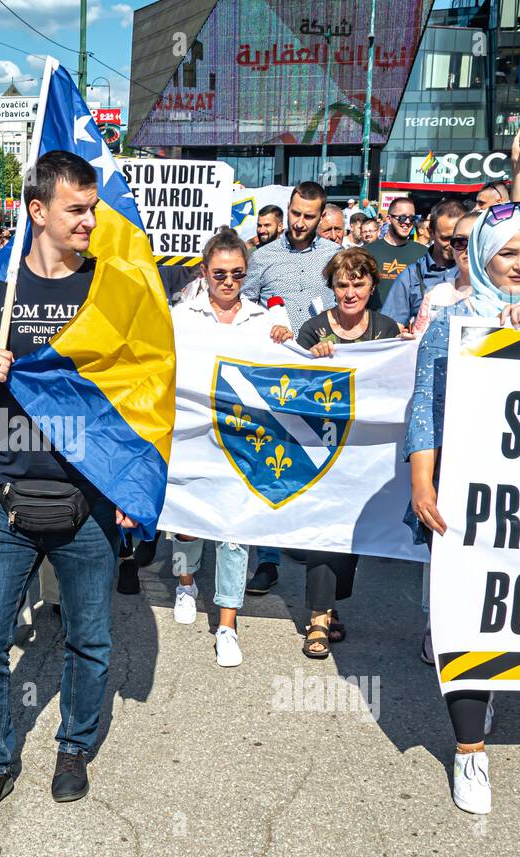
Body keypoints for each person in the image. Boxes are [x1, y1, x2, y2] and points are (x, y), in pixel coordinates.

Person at [0, 151, 130, 827]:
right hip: (4, 496)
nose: (88, 220)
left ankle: (74, 747)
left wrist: (129, 485)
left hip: (89, 499)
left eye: (92, 208)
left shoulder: (111, 289)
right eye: (75, 209)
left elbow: (138, 391)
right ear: (38, 212)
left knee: (91, 640)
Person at [405, 202, 520, 815]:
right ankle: (470, 749)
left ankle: (491, 680)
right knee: (464, 613)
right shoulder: (448, 319)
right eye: (507, 252)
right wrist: (422, 484)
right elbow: (425, 405)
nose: (519, 264)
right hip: (463, 491)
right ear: (480, 256)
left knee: (510, 604)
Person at [271, 248, 404, 658]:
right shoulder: (313, 329)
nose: (349, 292)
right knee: (323, 532)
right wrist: (308, 358)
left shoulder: (386, 330)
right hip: (322, 449)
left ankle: (330, 609)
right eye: (342, 284)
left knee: (351, 534)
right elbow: (295, 385)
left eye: (358, 284)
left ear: (371, 286)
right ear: (331, 287)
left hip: (365, 453)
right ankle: (317, 618)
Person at [168, 228, 274, 667]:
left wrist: (301, 346)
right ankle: (185, 581)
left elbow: (289, 372)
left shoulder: (264, 321)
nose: (228, 282)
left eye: (237, 274)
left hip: (241, 443)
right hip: (191, 439)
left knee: (234, 532)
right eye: (219, 274)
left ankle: (228, 623)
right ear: (204, 272)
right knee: (186, 524)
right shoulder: (181, 316)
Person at [242, 181, 341, 338]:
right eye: (295, 213)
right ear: (288, 208)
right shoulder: (261, 257)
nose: (299, 223)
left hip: (321, 354)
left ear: (321, 217)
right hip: (275, 354)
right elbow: (245, 306)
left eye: (308, 217)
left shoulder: (335, 254)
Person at [381, 199, 467, 328]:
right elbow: (391, 328)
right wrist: (401, 335)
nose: (452, 245)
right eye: (445, 238)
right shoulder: (411, 276)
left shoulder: (478, 272)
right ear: (431, 232)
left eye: (460, 240)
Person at [363, 197, 428, 308]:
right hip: (374, 322)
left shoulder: (423, 253)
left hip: (409, 323)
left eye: (412, 218)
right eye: (402, 218)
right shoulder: (366, 252)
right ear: (388, 219)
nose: (407, 222)